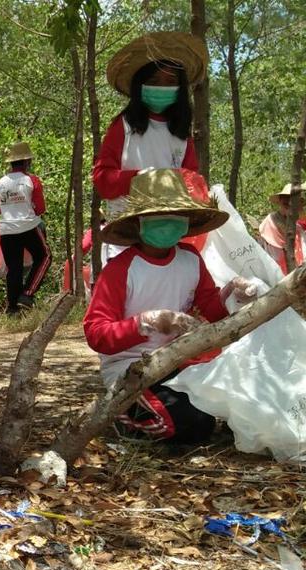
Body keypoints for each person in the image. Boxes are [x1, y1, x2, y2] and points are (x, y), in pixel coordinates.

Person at [84, 169, 257, 444]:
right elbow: (96, 333)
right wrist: (144, 323)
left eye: (173, 216)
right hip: (131, 366)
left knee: (231, 402)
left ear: (186, 221)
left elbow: (210, 307)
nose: (166, 223)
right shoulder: (120, 270)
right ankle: (122, 416)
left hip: (178, 359)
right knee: (188, 423)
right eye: (157, 216)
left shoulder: (189, 258)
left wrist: (231, 293)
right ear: (139, 222)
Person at [92, 32, 207, 266]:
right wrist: (142, 180)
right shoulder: (122, 126)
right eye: (154, 81)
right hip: (127, 233)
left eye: (169, 82)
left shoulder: (182, 133)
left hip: (168, 235)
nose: (162, 87)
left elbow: (192, 180)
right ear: (139, 85)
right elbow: (103, 180)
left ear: (180, 87)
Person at [0, 142, 50, 313]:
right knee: (45, 257)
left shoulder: (0, 183)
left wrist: (9, 206)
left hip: (7, 232)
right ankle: (28, 294)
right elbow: (41, 208)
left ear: (11, 163)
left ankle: (13, 309)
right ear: (27, 162)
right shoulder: (32, 180)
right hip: (29, 227)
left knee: (13, 269)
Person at [257, 183, 306, 274]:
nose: (289, 203)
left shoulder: (298, 229)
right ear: (280, 200)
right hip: (275, 273)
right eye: (286, 200)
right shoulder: (269, 223)